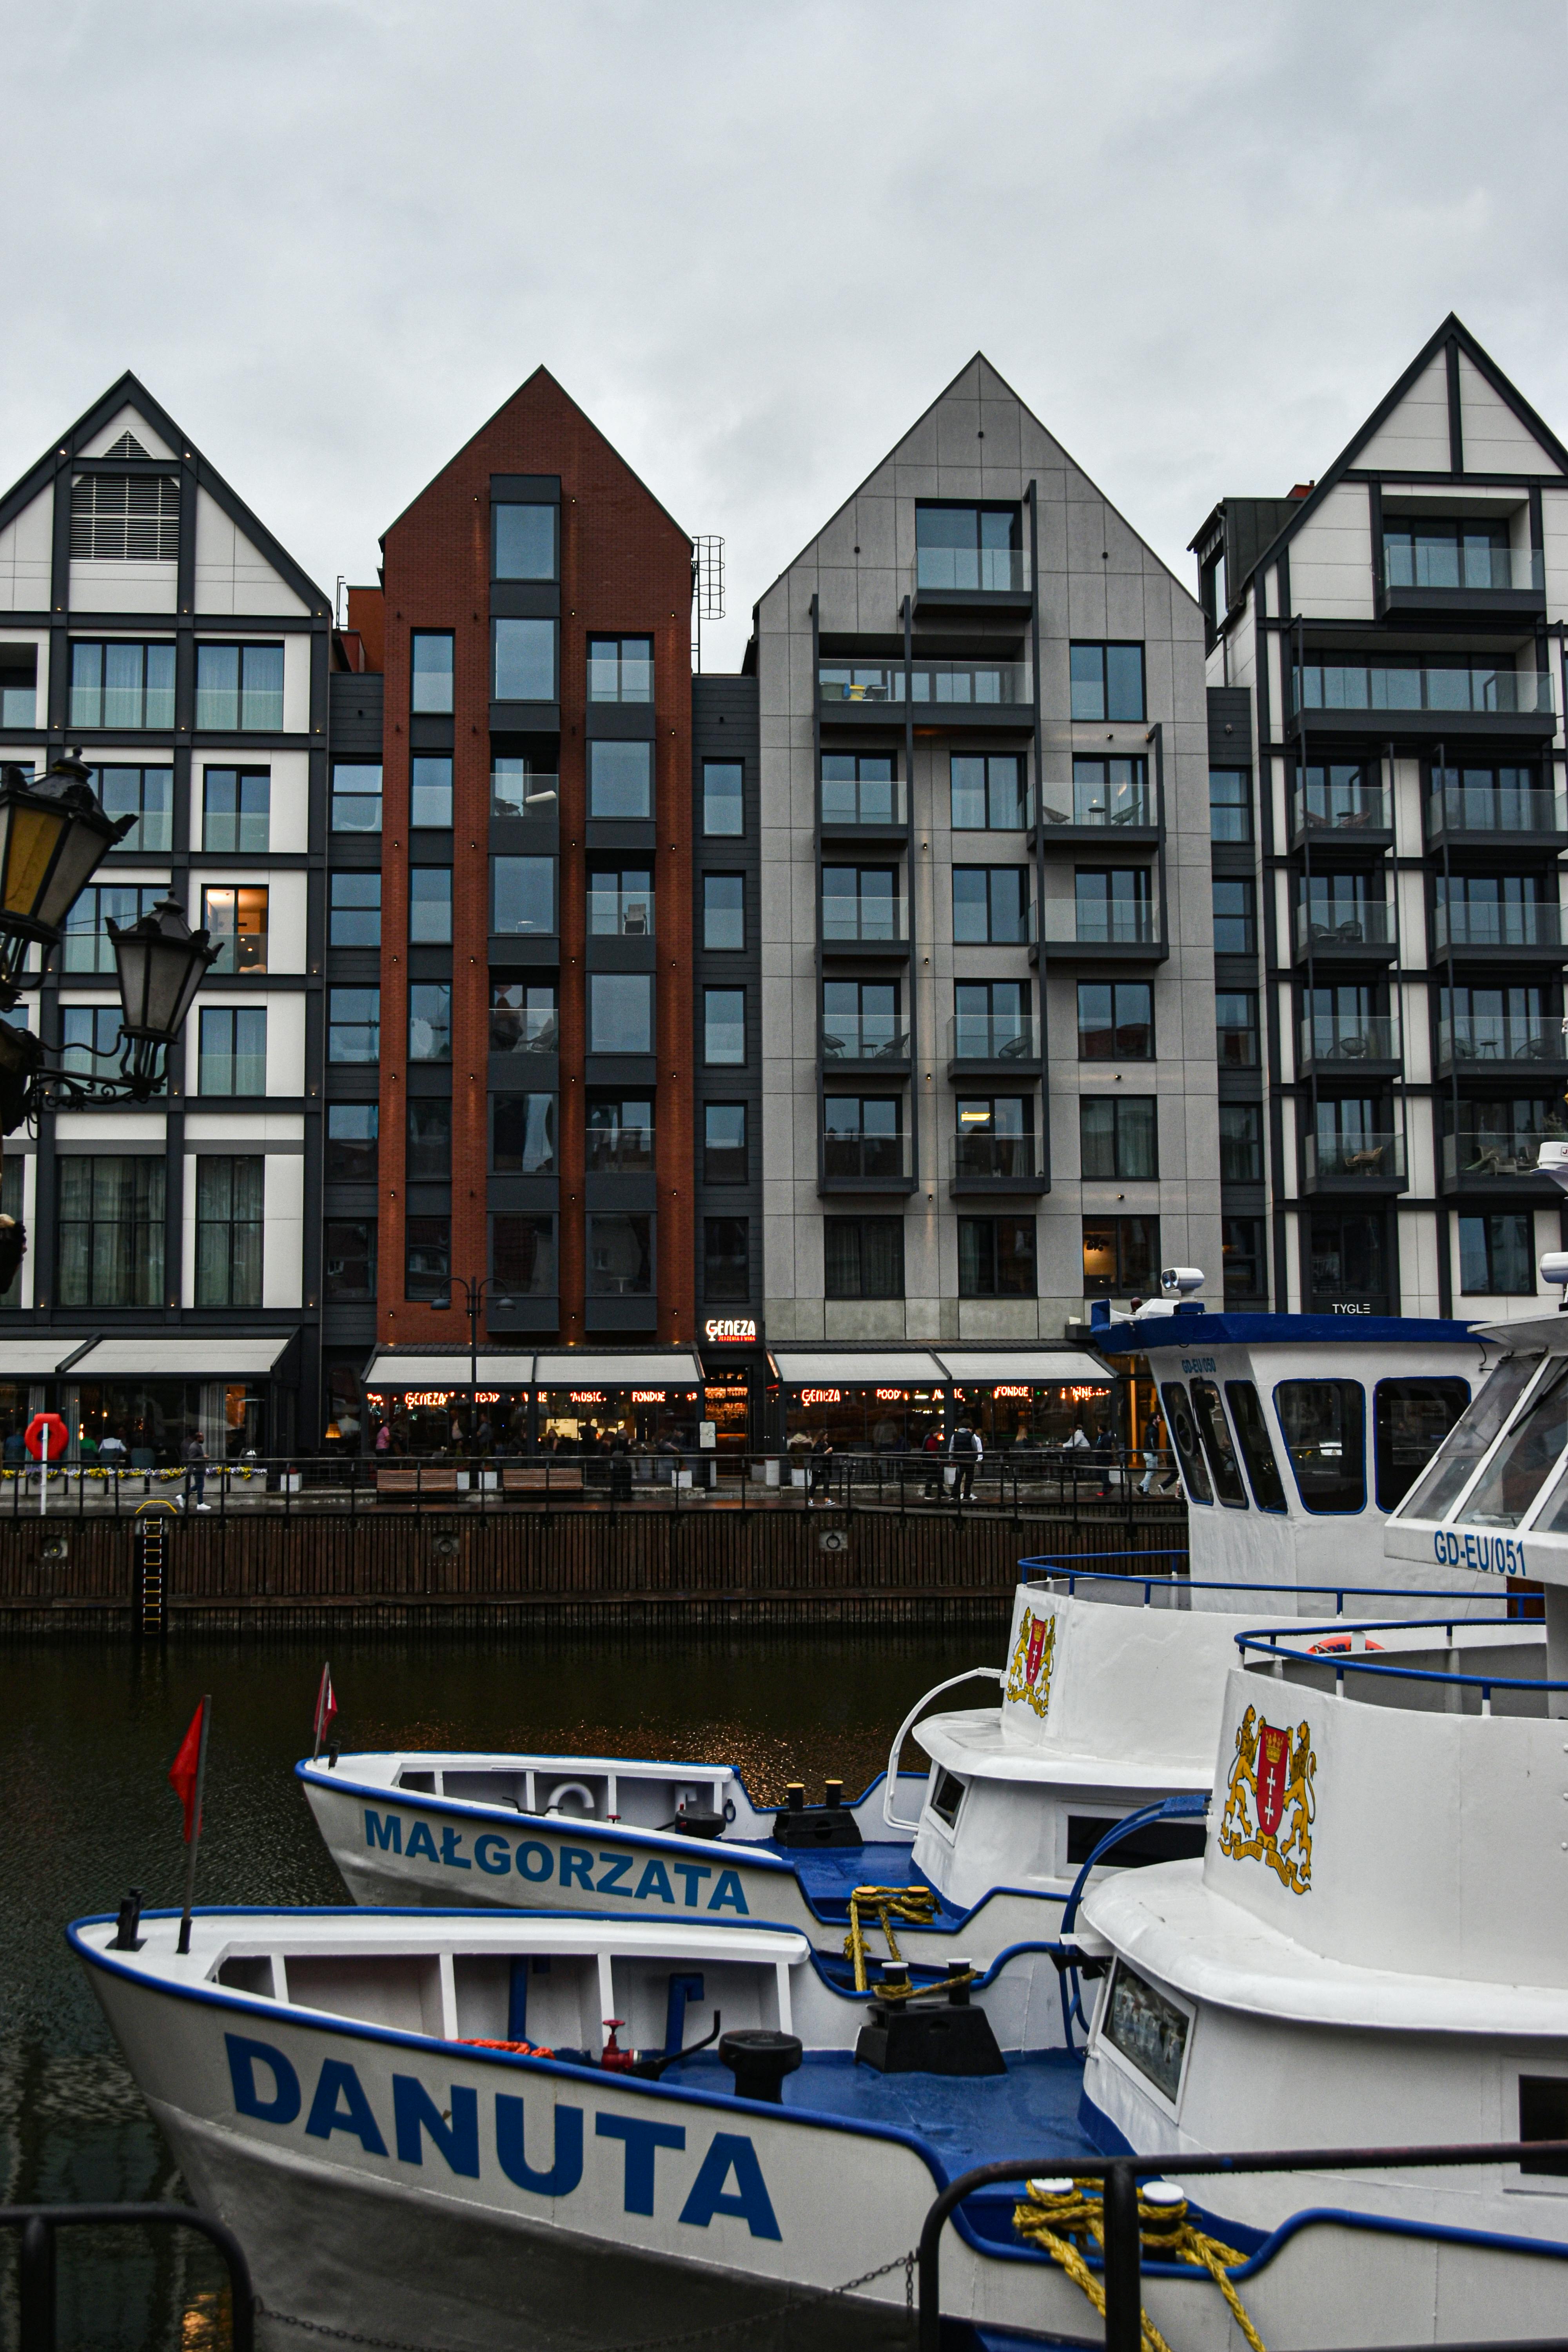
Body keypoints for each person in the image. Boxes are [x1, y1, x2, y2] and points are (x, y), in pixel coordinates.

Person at [948, 1419, 982, 1505]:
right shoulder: (971, 1436)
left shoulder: (955, 1436)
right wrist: (975, 1457)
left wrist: (951, 1459)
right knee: (969, 1478)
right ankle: (967, 1495)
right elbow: (974, 1448)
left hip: (959, 1460)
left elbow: (952, 1448)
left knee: (958, 1478)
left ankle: (953, 1495)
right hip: (970, 1460)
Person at [183, 1430, 211, 1512]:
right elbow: (192, 1459)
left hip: (199, 1468)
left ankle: (183, 1497)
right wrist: (204, 1457)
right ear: (198, 1438)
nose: (203, 1439)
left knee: (198, 1486)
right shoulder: (194, 1446)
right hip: (197, 1469)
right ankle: (200, 1503)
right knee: (200, 1486)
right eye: (202, 1437)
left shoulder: (197, 1445)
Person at [920, 1422, 946, 1500]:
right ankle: (928, 1493)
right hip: (932, 1462)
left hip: (931, 1462)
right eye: (938, 1433)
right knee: (932, 1477)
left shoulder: (930, 1439)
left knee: (937, 1477)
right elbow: (934, 1453)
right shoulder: (931, 1441)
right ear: (934, 1433)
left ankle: (941, 1492)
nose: (938, 1434)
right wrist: (940, 1462)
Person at [808, 1430, 832, 1503]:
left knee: (826, 1482)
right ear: (822, 1436)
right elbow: (820, 1456)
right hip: (817, 1467)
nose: (827, 1437)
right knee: (815, 1483)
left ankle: (827, 1500)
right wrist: (828, 1451)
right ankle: (810, 1499)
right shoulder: (818, 1445)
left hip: (824, 1467)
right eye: (826, 1436)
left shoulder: (825, 1444)